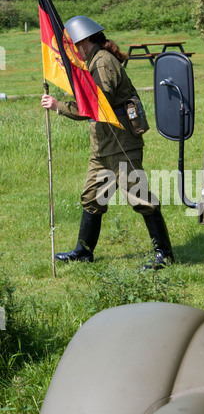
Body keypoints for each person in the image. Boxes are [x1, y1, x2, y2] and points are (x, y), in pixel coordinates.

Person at [41, 15, 174, 269]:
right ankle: (84, 251)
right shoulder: (95, 60)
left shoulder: (102, 63)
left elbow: (95, 104)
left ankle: (164, 254)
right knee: (93, 197)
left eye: (74, 43)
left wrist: (59, 106)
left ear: (86, 40)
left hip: (121, 143)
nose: (72, 49)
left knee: (139, 196)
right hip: (103, 146)